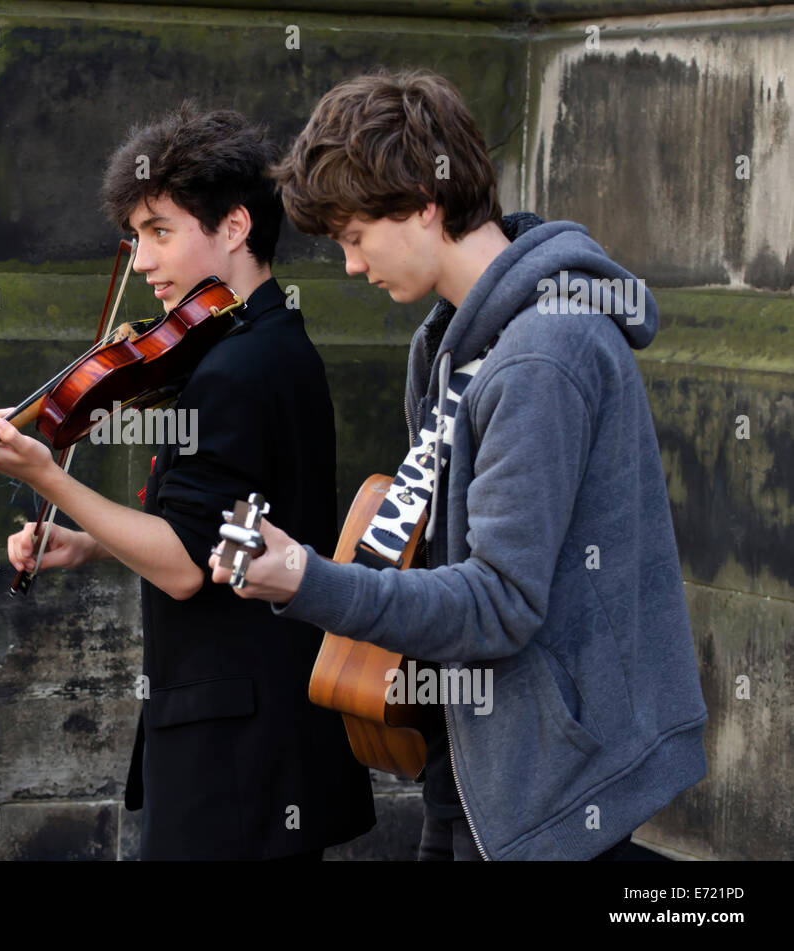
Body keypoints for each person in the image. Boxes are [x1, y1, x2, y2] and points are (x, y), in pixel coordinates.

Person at [211, 69, 708, 860]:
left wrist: (307, 579)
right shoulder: (445, 344)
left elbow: (499, 602)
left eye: (353, 235)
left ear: (421, 201)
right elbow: (438, 552)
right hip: (468, 756)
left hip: (551, 771)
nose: (348, 264)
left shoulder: (545, 355)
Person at [0, 107, 374, 860]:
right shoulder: (274, 343)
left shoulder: (236, 371)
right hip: (265, 743)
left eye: (159, 230)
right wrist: (89, 545)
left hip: (233, 758)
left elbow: (182, 567)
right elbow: (222, 537)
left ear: (236, 227)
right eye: (136, 236)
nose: (141, 260)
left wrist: (49, 475)